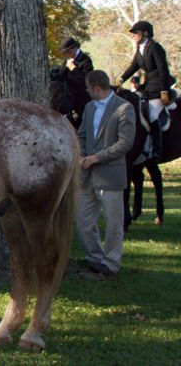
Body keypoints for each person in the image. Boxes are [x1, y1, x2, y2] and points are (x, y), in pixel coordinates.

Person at [76, 70, 135, 277]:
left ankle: (110, 263)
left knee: (113, 223)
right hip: (87, 174)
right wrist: (81, 154)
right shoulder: (89, 107)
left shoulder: (124, 108)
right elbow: (82, 134)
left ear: (96, 88)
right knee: (83, 220)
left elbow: (125, 142)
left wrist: (97, 157)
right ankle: (94, 258)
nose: (86, 91)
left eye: (87, 87)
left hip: (110, 175)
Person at [116, 20, 175, 160]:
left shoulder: (155, 47)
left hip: (158, 86)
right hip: (147, 87)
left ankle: (156, 150)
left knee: (153, 115)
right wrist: (121, 79)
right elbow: (133, 67)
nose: (134, 36)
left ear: (146, 33)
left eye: (136, 33)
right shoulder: (140, 49)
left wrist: (165, 90)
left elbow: (163, 69)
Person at [56, 37, 94, 127]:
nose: (68, 55)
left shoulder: (86, 60)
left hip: (82, 98)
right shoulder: (67, 60)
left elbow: (86, 80)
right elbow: (62, 76)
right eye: (65, 53)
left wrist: (73, 68)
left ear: (74, 48)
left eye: (68, 52)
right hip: (69, 97)